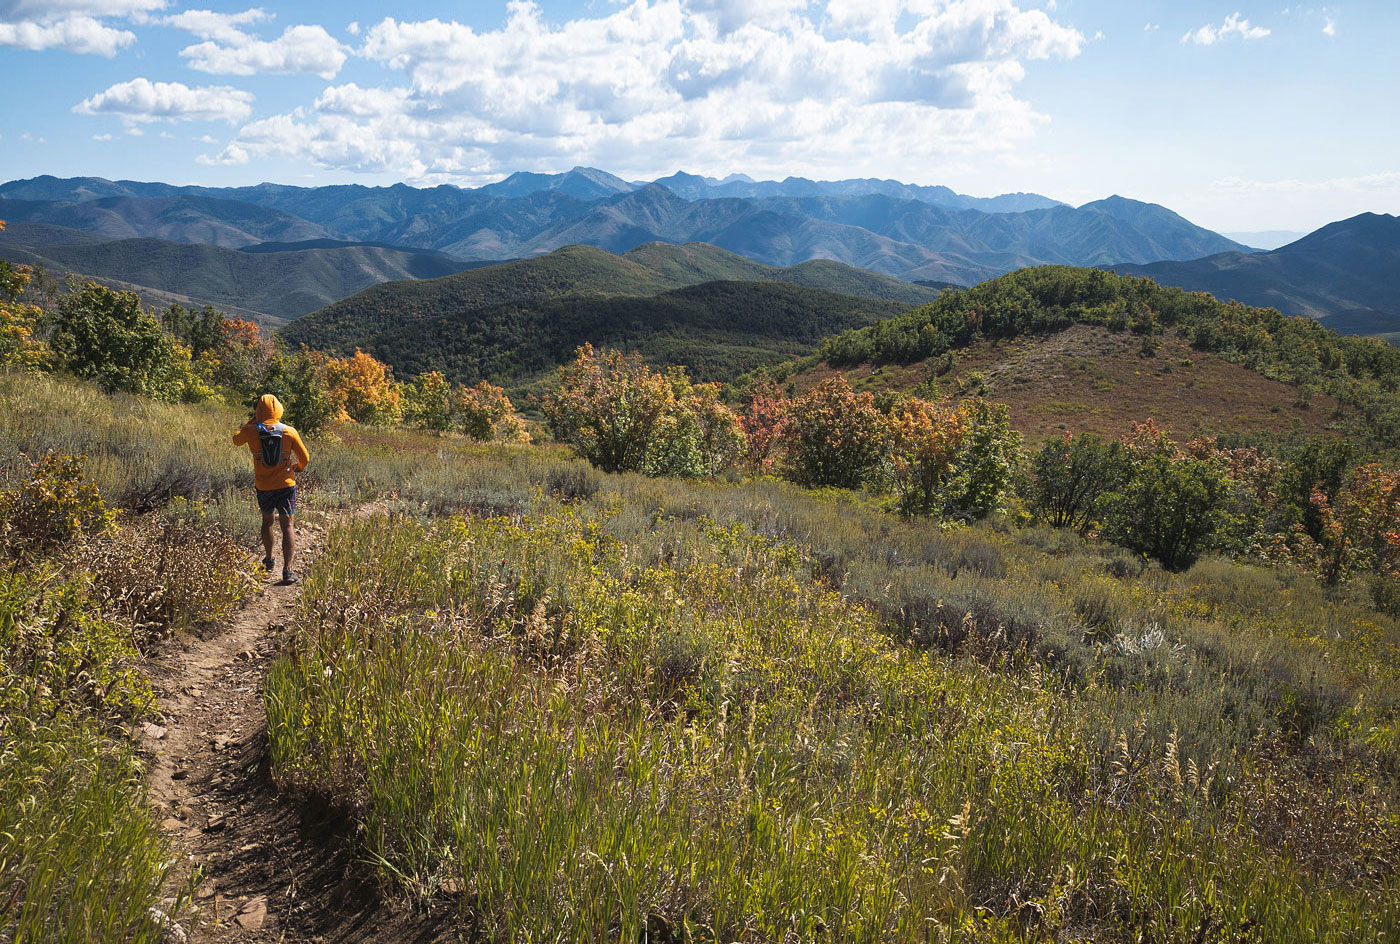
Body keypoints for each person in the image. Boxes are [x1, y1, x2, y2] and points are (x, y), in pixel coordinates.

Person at [233, 394, 310, 584]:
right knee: (288, 526)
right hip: (286, 486)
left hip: (263, 486)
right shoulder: (289, 432)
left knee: (267, 521)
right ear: (279, 410)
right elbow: (305, 458)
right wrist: (298, 467)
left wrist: (252, 421)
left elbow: (236, 439)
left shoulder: (251, 431)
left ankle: (268, 560)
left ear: (259, 411)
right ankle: (288, 570)